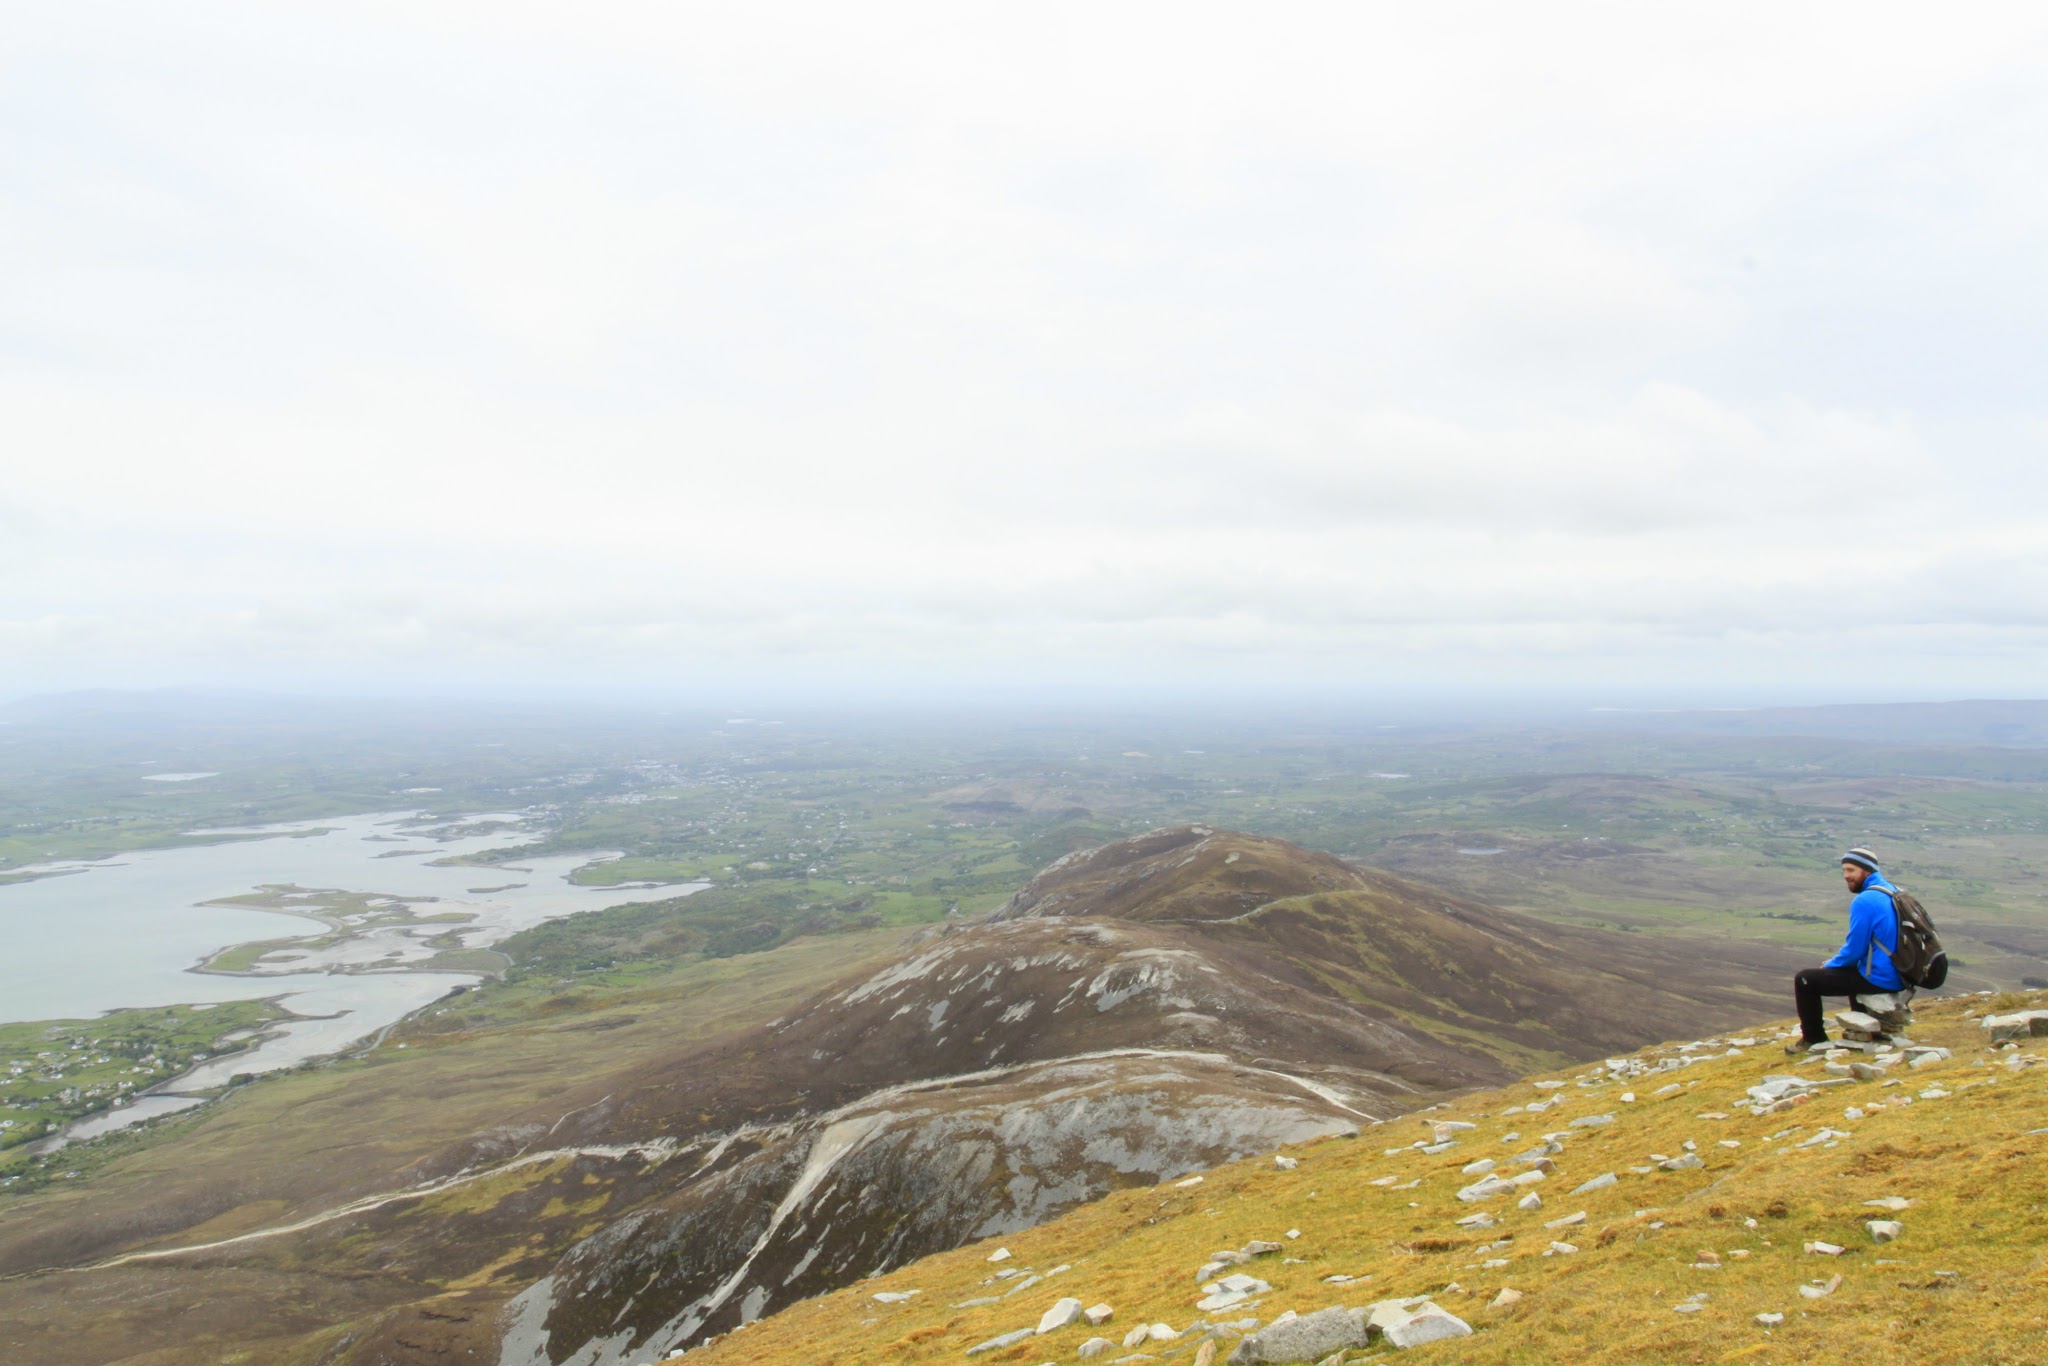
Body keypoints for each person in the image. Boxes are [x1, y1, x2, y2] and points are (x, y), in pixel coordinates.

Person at [1787, 847, 1904, 1053]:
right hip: (1899, 974)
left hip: (1880, 977)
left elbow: (1855, 949)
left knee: (1805, 980)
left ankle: (1812, 1039)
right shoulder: (1892, 891)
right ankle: (1865, 1031)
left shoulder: (1866, 900)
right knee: (1853, 973)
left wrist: (1830, 965)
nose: (1846, 876)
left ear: (1866, 870)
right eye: (1844, 870)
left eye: (1851, 870)